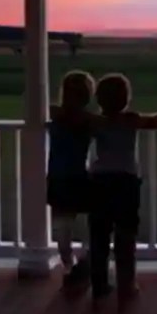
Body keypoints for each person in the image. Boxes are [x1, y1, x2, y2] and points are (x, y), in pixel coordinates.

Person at [88, 73, 157, 303]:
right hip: (125, 181)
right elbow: (154, 121)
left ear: (99, 99)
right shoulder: (131, 119)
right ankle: (127, 284)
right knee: (126, 235)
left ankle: (99, 284)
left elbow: (71, 119)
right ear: (126, 98)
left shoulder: (95, 121)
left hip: (99, 180)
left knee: (99, 236)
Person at [47, 70, 96, 288]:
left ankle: (68, 263)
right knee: (86, 221)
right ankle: (84, 260)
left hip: (58, 176)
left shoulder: (55, 115)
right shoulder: (87, 121)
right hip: (77, 175)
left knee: (62, 223)